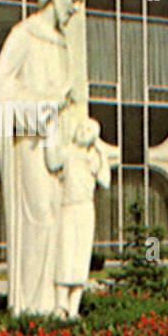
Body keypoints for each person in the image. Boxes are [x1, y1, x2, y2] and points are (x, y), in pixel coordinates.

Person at [0, 0, 85, 316]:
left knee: (56, 221)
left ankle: (52, 305)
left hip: (56, 145)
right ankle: (29, 306)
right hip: (29, 142)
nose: (76, 8)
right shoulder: (24, 34)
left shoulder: (62, 43)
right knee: (39, 218)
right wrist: (44, 103)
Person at [48, 117, 110, 319]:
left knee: (81, 259)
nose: (83, 131)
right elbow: (51, 162)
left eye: (89, 129)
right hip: (68, 208)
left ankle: (74, 309)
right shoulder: (67, 151)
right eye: (81, 127)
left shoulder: (93, 157)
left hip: (85, 209)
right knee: (65, 256)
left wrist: (102, 155)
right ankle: (60, 306)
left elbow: (106, 182)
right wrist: (49, 134)